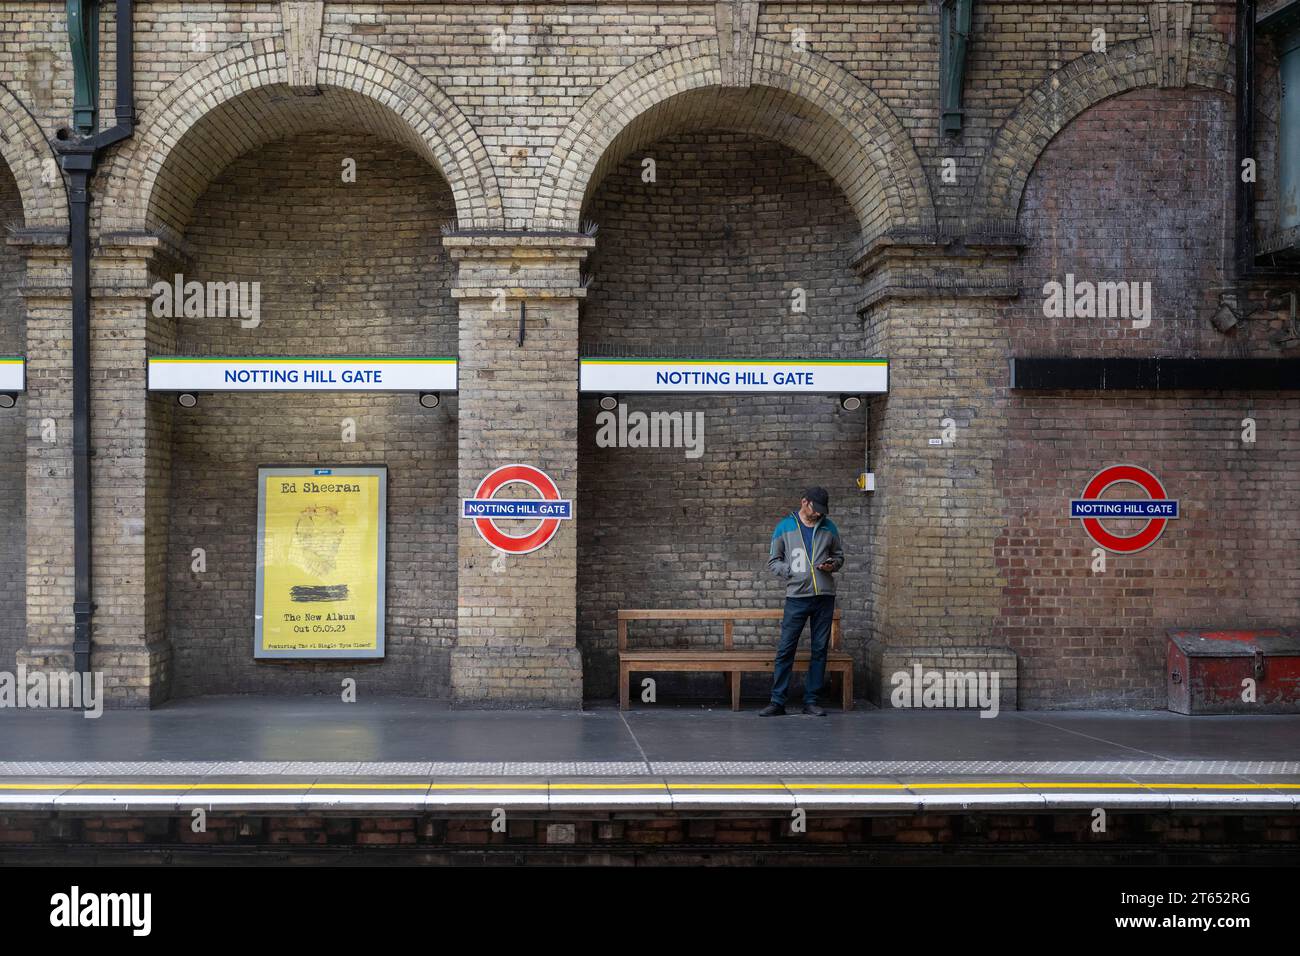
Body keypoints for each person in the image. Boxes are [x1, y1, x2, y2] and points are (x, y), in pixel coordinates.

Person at [760, 486, 845, 716]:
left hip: (824, 597)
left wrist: (832, 565)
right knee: (786, 649)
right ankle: (777, 701)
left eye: (821, 510)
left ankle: (812, 700)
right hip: (796, 597)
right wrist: (790, 571)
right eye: (815, 509)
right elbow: (773, 561)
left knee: (819, 650)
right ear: (804, 502)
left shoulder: (829, 527)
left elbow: (839, 556)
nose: (818, 514)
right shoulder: (784, 527)